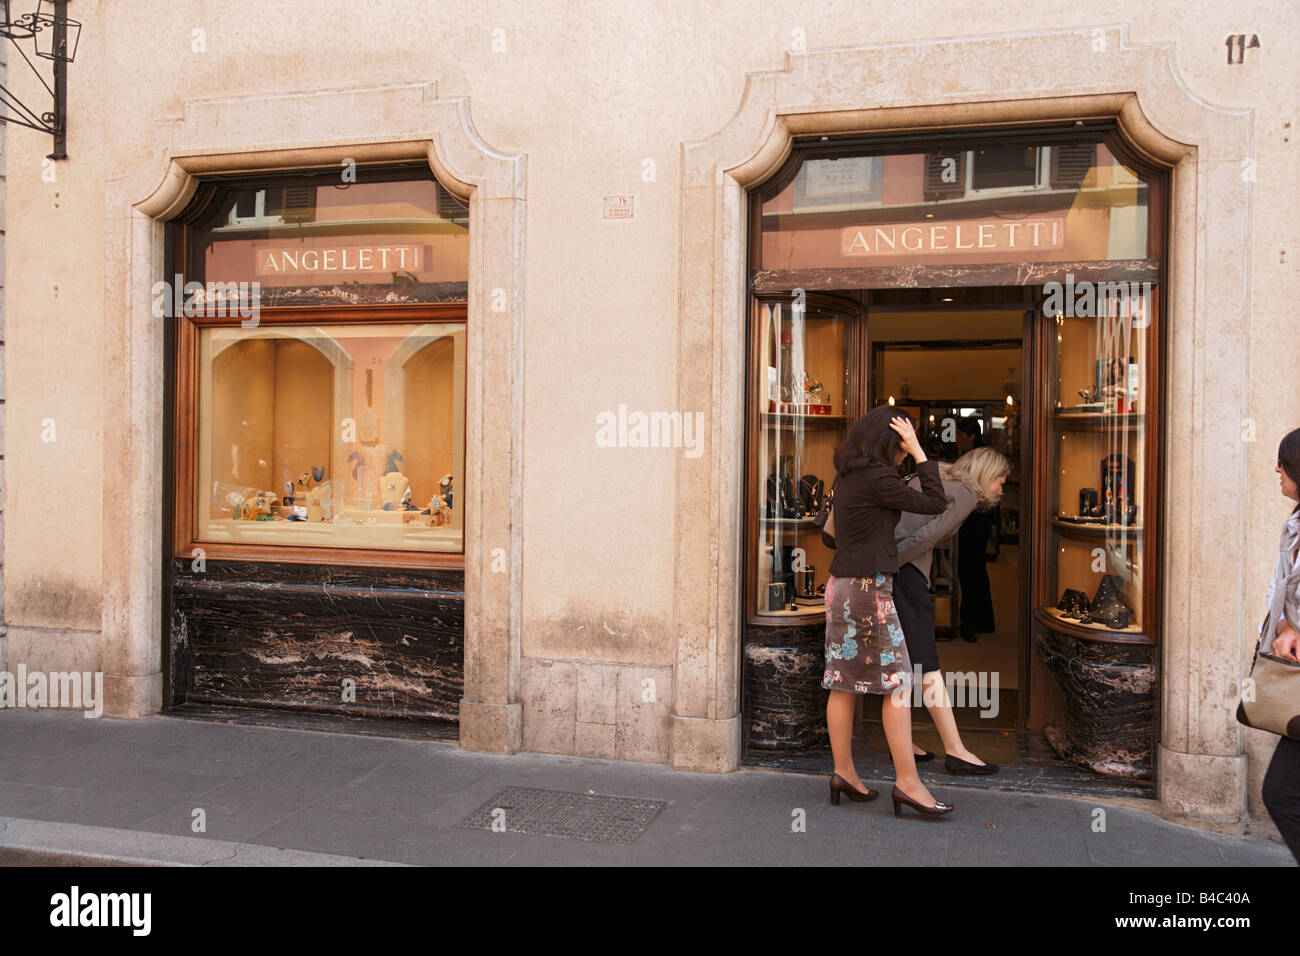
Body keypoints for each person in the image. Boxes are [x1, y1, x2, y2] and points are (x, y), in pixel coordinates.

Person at [822, 405, 953, 817]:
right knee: (899, 683)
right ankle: (909, 784)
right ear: (891, 443)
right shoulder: (879, 478)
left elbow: (829, 536)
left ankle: (844, 773)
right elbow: (936, 502)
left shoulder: (847, 477)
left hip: (841, 586)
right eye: (900, 447)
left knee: (842, 682)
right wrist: (920, 452)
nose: (903, 456)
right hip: (868, 589)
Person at [892, 446, 1011, 775]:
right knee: (925, 662)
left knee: (902, 661)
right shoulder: (966, 493)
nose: (1002, 488)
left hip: (895, 566)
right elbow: (929, 535)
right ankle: (955, 751)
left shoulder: (941, 476)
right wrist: (887, 562)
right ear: (987, 476)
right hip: (904, 572)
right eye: (1001, 481)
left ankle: (902, 744)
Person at [1259, 427, 1300, 862]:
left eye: (1283, 463)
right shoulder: (1295, 523)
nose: (1277, 470)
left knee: (1282, 793)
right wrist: (1286, 623)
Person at [953, 417, 995, 643]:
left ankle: (970, 623)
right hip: (976, 519)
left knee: (969, 571)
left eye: (960, 434)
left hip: (974, 519)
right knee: (977, 571)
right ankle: (984, 621)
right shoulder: (978, 456)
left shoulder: (977, 459)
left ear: (971, 436)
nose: (957, 439)